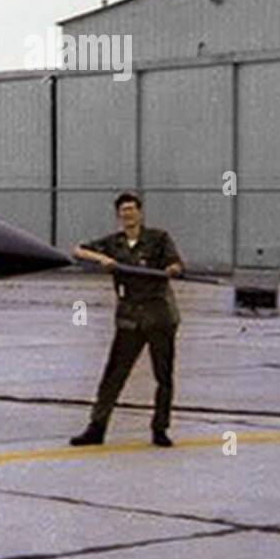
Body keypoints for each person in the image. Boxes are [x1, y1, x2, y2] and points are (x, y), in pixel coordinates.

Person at [70, 192, 184, 448]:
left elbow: (175, 264)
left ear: (140, 213)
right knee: (114, 374)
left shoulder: (158, 238)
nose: (128, 214)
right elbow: (78, 250)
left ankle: (160, 429)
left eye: (132, 209)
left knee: (163, 376)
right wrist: (104, 260)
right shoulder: (114, 243)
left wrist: (172, 270)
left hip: (159, 316)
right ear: (118, 215)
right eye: (123, 211)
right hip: (129, 318)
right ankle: (96, 428)